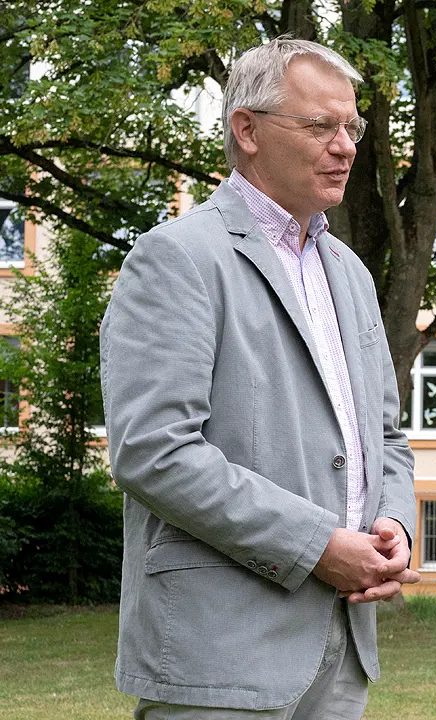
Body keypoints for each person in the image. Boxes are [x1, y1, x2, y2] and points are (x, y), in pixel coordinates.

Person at [102, 37, 419, 718]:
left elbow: (385, 437)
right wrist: (317, 547)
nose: (345, 146)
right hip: (219, 653)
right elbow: (154, 451)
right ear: (247, 129)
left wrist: (394, 524)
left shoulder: (353, 276)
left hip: (342, 653)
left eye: (352, 127)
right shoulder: (177, 259)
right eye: (319, 125)